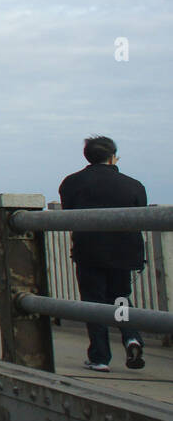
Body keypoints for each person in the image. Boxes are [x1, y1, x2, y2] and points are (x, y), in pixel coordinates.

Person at [58, 136, 148, 372]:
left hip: (89, 251)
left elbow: (69, 214)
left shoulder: (72, 183)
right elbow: (142, 216)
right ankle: (131, 338)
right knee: (119, 296)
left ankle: (100, 357)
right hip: (124, 252)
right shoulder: (133, 184)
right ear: (112, 157)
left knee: (94, 301)